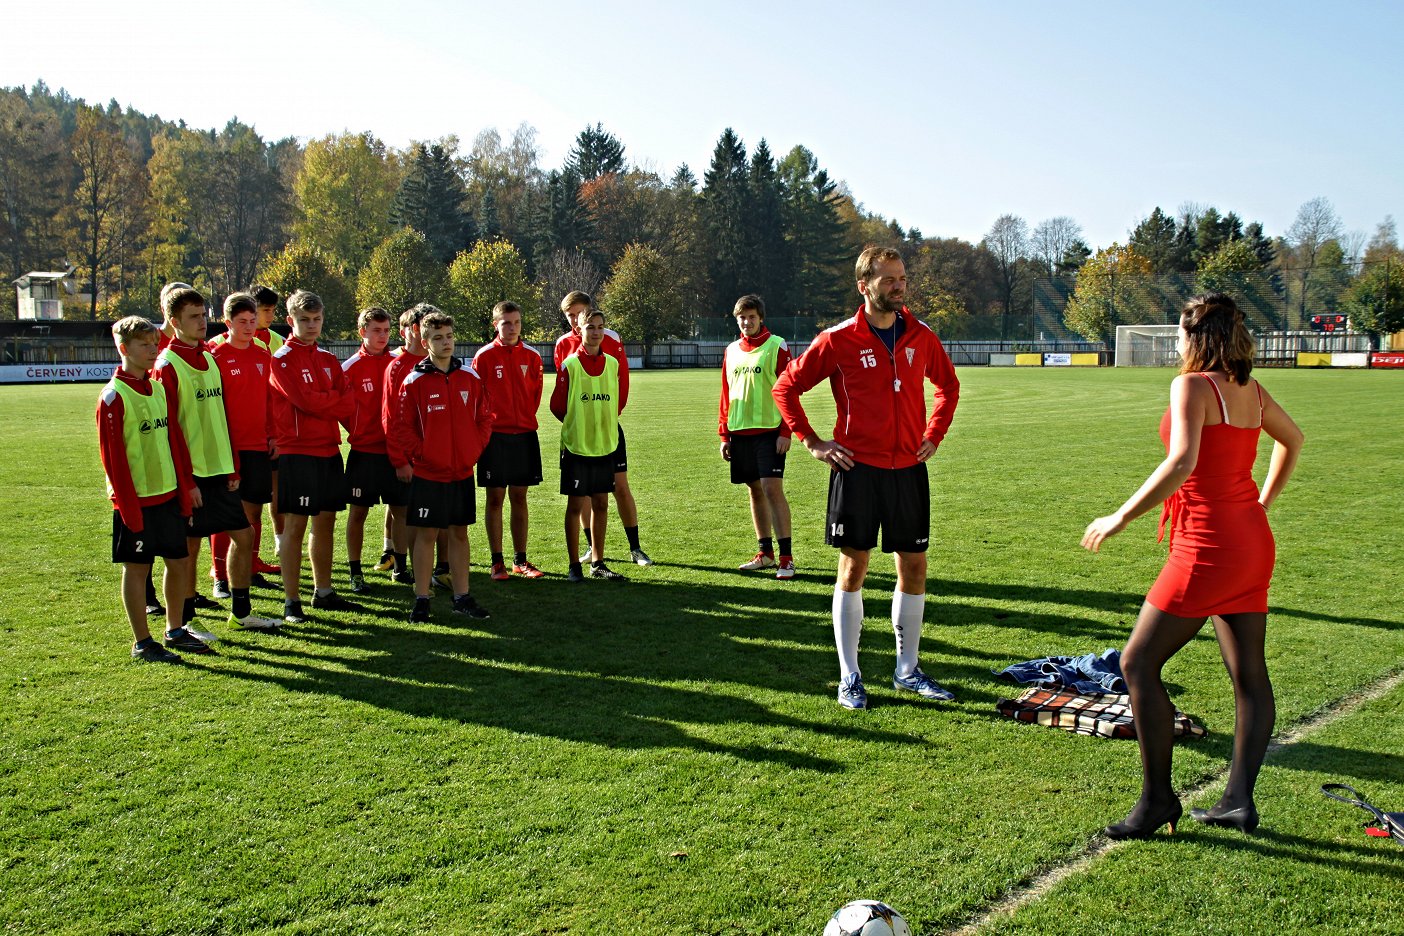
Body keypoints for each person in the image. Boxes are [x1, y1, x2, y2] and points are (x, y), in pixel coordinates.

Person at [1081, 292, 1303, 840]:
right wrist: (1260, 506)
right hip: (1250, 540)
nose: (1175, 343)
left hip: (1206, 546)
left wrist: (1122, 515)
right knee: (1249, 675)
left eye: (1179, 334)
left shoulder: (1192, 386)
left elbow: (1181, 461)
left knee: (1137, 664)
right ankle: (1237, 802)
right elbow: (1293, 440)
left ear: (1193, 338)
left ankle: (1158, 800)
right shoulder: (1249, 388)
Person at [773, 246, 960, 710]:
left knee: (913, 567)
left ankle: (907, 670)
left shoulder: (921, 335)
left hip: (908, 471)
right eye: (889, 279)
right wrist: (813, 442)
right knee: (853, 568)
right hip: (857, 471)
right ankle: (850, 675)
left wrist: (933, 434)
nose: (900, 286)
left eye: (902, 278)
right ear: (864, 286)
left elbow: (948, 387)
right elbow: (785, 388)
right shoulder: (837, 340)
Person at [153, 285, 280, 638]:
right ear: (173, 321)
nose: (201, 322)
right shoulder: (168, 365)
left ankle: (241, 612)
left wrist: (232, 466)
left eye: (202, 314)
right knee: (188, 548)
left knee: (244, 534)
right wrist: (186, 482)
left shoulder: (208, 358)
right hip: (192, 474)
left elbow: (221, 416)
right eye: (193, 317)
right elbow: (171, 431)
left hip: (221, 468)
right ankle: (185, 621)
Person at [98, 316, 199, 661]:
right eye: (144, 345)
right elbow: (113, 460)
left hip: (169, 495)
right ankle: (142, 640)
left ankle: (174, 629)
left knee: (179, 561)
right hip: (136, 502)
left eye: (154, 343)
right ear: (124, 349)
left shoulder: (157, 388)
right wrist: (128, 509)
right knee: (137, 569)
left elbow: (175, 442)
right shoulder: (114, 397)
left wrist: (184, 489)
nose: (152, 350)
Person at [388, 310, 493, 621]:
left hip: (461, 472)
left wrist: (472, 450)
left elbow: (485, 418)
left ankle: (462, 596)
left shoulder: (470, 377)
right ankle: (422, 598)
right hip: (429, 474)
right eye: (437, 338)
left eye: (449, 336)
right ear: (425, 342)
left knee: (459, 533)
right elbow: (402, 427)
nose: (445, 342)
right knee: (427, 535)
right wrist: (424, 454)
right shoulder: (414, 380)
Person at [268, 289, 359, 623]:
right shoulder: (281, 359)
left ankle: (323, 592)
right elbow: (306, 402)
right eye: (304, 320)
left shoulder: (328, 360)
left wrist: (325, 399)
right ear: (290, 321)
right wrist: (328, 399)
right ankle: (292, 601)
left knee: (326, 523)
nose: (311, 325)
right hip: (297, 452)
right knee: (295, 526)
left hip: (328, 449)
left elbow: (348, 404)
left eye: (316, 319)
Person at [553, 291, 651, 566]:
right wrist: (580, 422)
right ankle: (592, 549)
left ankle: (635, 547)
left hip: (608, 429)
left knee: (620, 486)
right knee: (583, 494)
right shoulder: (563, 345)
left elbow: (621, 382)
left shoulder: (611, 338)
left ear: (589, 311)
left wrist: (609, 414)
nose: (573, 319)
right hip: (581, 434)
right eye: (569, 315)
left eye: (577, 313)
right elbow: (563, 397)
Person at [207, 293, 278, 603]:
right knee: (227, 514)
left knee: (253, 511)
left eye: (252, 321)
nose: (249, 327)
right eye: (242, 322)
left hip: (258, 445)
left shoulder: (263, 354)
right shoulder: (216, 356)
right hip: (228, 448)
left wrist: (273, 434)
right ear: (227, 323)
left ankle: (249, 567)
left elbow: (270, 399)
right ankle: (220, 576)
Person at [719, 294, 795, 579]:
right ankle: (765, 553)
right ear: (736, 319)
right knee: (754, 490)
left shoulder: (777, 346)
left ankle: (786, 557)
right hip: (740, 433)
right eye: (742, 317)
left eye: (751, 317)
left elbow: (788, 390)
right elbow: (726, 394)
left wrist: (786, 430)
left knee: (772, 489)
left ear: (760, 318)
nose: (747, 322)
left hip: (770, 431)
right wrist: (724, 434)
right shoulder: (731, 350)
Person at [551, 309, 629, 582]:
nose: (596, 332)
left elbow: (616, 402)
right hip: (577, 448)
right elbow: (557, 406)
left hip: (604, 446)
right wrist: (578, 426)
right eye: (590, 327)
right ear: (580, 331)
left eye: (600, 327)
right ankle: (574, 565)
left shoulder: (612, 363)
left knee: (601, 503)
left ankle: (598, 562)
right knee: (575, 506)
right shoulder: (570, 365)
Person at [472, 301, 546, 580]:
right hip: (495, 437)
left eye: (516, 322)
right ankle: (496, 562)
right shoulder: (484, 356)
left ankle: (521, 560)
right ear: (496, 325)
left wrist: (523, 418)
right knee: (495, 498)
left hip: (525, 434)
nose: (512, 327)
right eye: (506, 322)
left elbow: (535, 396)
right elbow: (478, 400)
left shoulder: (533, 356)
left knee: (520, 496)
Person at [341, 307, 406, 594]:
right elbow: (342, 410)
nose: (382, 336)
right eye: (376, 330)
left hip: (394, 453)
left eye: (386, 330)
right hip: (364, 454)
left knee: (401, 510)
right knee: (358, 513)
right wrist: (358, 431)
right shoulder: (350, 367)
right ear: (362, 332)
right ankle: (355, 572)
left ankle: (400, 566)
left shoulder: (399, 363)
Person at [380, 302, 440, 585]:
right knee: (405, 513)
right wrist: (400, 460)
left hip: (435, 458)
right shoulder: (397, 366)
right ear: (416, 329)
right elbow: (390, 419)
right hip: (408, 458)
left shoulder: (439, 363)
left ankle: (437, 569)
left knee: (434, 517)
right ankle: (402, 567)